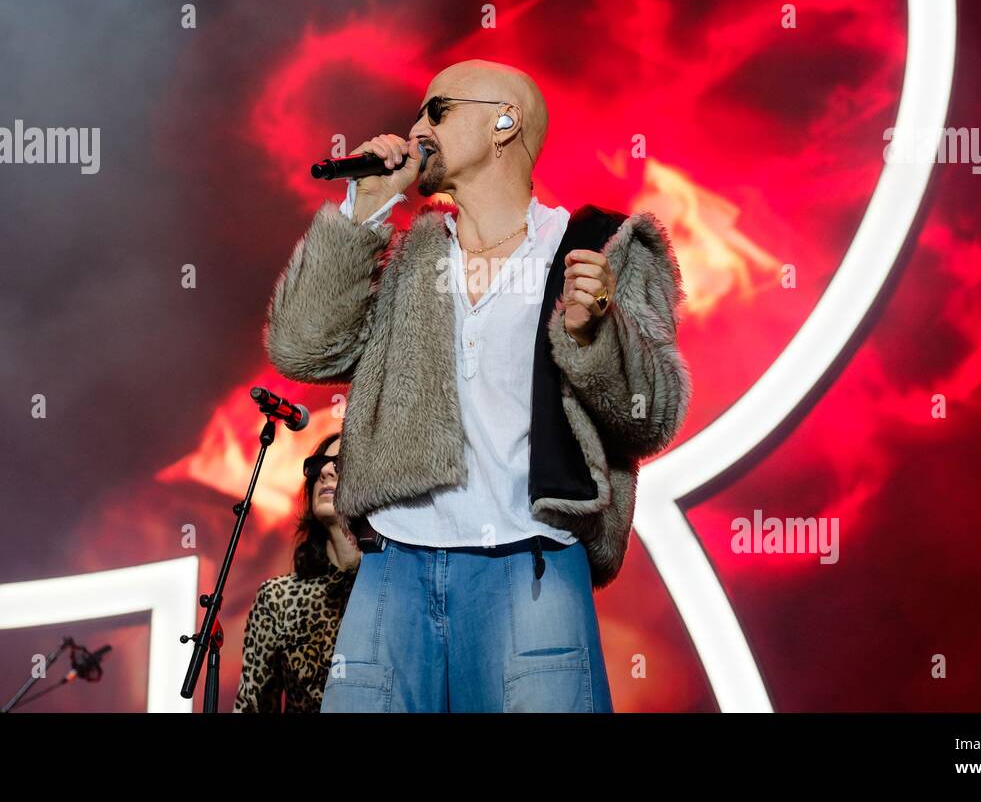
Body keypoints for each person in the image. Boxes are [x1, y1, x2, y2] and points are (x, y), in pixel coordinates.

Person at [265, 59, 690, 711]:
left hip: (531, 572)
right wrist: (364, 215)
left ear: (503, 121)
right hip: (392, 572)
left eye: (436, 110)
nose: (415, 127)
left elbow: (651, 416)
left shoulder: (597, 248)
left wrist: (597, 335)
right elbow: (302, 348)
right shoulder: (407, 259)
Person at [233, 432, 360, 713]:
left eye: (340, 462)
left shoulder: (394, 588)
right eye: (317, 466)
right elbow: (252, 706)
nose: (325, 471)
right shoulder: (278, 598)